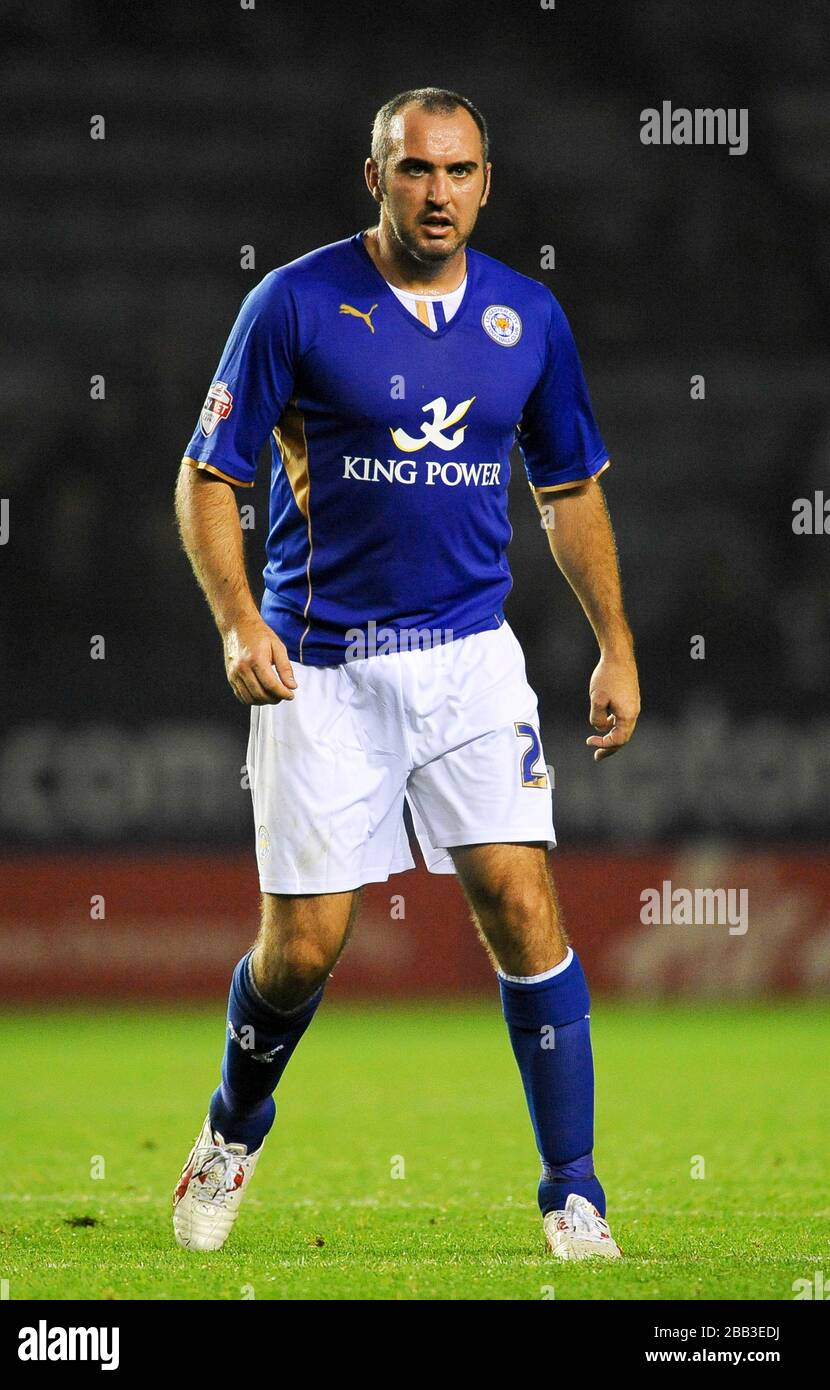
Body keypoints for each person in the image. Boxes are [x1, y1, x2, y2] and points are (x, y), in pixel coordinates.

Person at [172, 86, 640, 1260]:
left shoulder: (528, 318)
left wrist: (615, 645)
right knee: (305, 950)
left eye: (461, 171)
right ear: (372, 175)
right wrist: (238, 622)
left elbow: (569, 488)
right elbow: (207, 478)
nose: (440, 193)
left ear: (488, 183)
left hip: (472, 662)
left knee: (523, 903)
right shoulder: (293, 302)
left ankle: (571, 1194)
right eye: (417, 170)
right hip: (323, 669)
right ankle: (233, 1126)